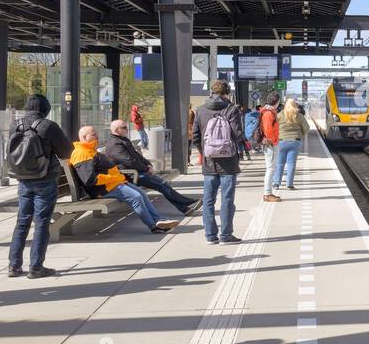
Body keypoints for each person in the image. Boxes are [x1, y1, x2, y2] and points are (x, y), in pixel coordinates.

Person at [6, 94, 73, 279]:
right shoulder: (48, 126)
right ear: (46, 109)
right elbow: (66, 152)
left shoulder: (15, 125)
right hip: (44, 178)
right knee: (42, 223)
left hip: (23, 179)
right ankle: (36, 267)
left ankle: (14, 266)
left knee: (22, 221)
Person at [71, 126, 178, 234]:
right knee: (136, 197)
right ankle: (154, 226)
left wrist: (117, 177)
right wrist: (115, 177)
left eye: (96, 134)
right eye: (94, 134)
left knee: (142, 194)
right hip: (104, 189)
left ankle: (160, 220)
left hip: (114, 184)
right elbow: (89, 180)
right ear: (84, 137)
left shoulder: (89, 150)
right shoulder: (82, 153)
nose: (97, 136)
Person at [105, 118, 200, 216]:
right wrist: (146, 169)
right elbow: (129, 161)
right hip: (129, 175)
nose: (127, 129)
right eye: (124, 127)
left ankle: (185, 208)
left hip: (136, 172)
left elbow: (137, 156)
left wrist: (148, 164)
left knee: (162, 185)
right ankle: (188, 202)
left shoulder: (122, 140)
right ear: (117, 130)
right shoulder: (114, 144)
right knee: (162, 184)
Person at [191, 79, 244, 243]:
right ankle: (226, 235)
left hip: (209, 163)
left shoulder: (200, 110)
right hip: (229, 163)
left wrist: (206, 152)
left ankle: (210, 236)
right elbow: (237, 134)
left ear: (212, 92)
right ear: (227, 93)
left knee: (208, 201)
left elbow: (195, 137)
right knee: (227, 200)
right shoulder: (232, 109)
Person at [273, 97, 310, 193]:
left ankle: (276, 183)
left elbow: (274, 127)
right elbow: (307, 128)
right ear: (295, 105)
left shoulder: (279, 115)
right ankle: (289, 184)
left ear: (285, 105)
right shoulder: (299, 116)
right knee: (291, 163)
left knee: (280, 163)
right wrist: (300, 135)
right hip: (295, 141)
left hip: (281, 141)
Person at [259, 92, 282, 203]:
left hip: (271, 143)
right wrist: (274, 141)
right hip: (270, 144)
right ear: (276, 101)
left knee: (271, 168)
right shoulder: (268, 113)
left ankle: (268, 192)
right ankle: (267, 194)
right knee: (270, 169)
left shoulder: (270, 112)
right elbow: (268, 131)